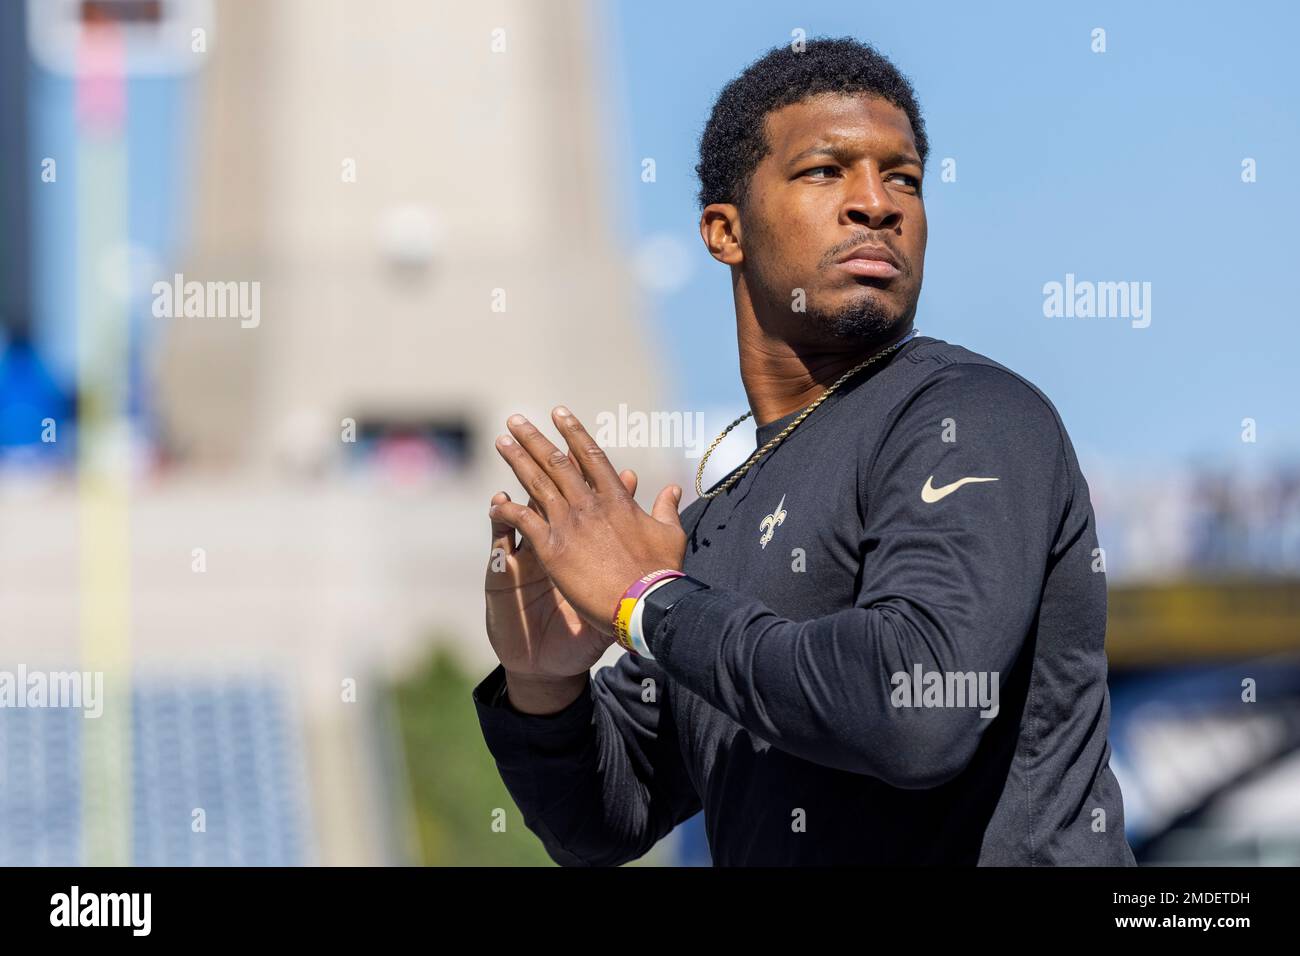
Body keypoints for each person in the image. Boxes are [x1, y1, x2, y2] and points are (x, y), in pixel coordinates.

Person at [475, 36, 1136, 866]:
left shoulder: (970, 415)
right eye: (828, 171)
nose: (877, 203)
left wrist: (648, 603)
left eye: (903, 178)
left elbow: (919, 707)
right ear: (725, 231)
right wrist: (544, 686)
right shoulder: (714, 520)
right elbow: (602, 824)